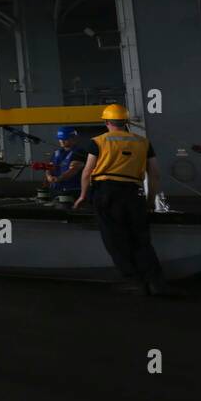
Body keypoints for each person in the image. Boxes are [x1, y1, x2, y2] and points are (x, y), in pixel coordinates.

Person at [73, 105, 166, 295]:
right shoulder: (143, 142)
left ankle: (133, 280)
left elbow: (87, 172)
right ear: (125, 122)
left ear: (106, 122)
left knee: (115, 239)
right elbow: (155, 174)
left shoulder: (98, 142)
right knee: (141, 240)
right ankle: (156, 283)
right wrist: (149, 201)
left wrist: (83, 196)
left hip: (106, 194)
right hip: (133, 194)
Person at [46, 128, 83, 199]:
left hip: (73, 190)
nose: (62, 141)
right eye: (60, 139)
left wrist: (59, 178)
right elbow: (49, 166)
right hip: (56, 189)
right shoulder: (57, 153)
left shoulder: (79, 153)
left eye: (65, 139)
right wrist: (49, 176)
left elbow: (74, 170)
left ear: (73, 138)